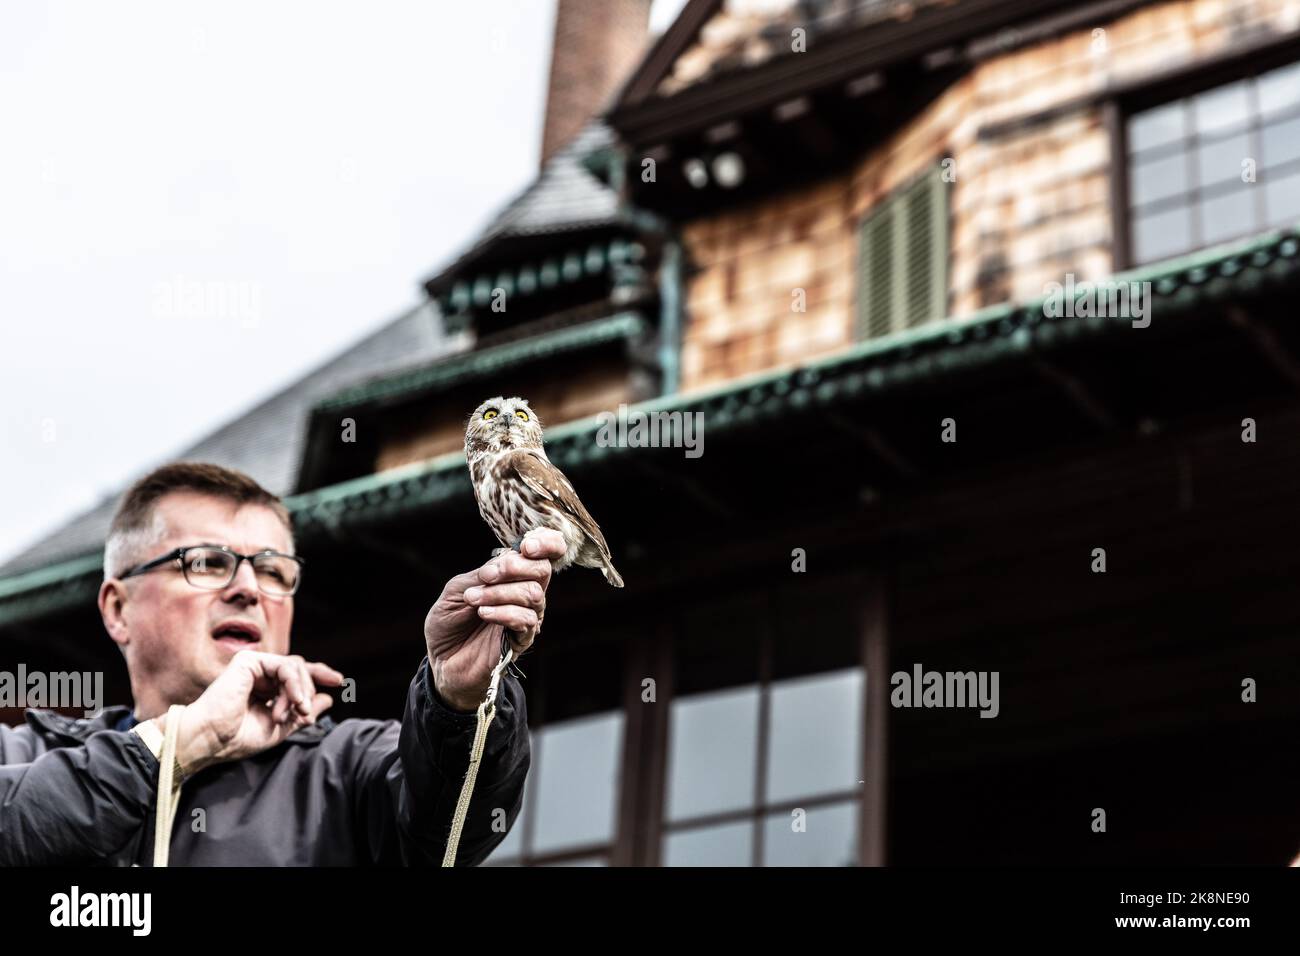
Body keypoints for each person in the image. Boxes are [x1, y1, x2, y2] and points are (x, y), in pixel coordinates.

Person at [0, 462, 559, 865]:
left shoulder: (349, 768)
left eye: (273, 572)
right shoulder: (26, 752)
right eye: (207, 562)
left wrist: (458, 702)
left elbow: (449, 825)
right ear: (118, 608)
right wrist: (182, 742)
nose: (248, 587)